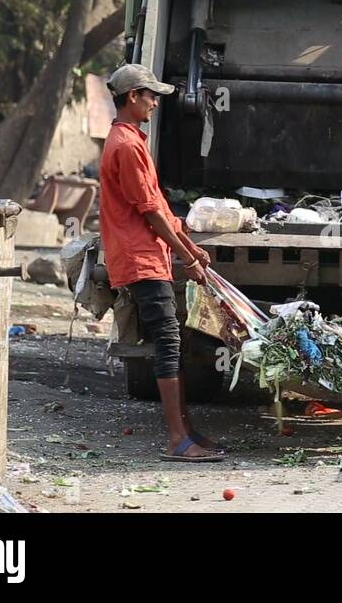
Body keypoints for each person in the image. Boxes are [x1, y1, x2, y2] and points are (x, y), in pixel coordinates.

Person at [100, 63, 225, 462]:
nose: (156, 102)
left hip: (146, 254)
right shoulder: (127, 145)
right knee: (168, 342)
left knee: (172, 341)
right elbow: (151, 212)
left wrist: (187, 243)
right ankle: (177, 439)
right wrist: (188, 255)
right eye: (151, 95)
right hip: (140, 257)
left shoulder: (128, 139)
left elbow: (158, 209)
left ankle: (186, 431)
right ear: (132, 97)